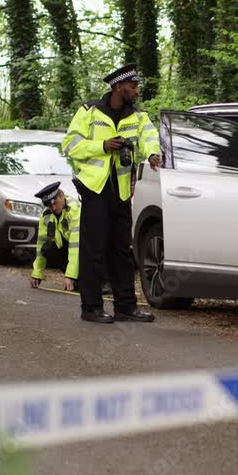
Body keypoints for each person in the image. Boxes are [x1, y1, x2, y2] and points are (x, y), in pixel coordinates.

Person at [63, 63, 162, 323]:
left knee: (121, 249)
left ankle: (126, 308)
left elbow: (149, 135)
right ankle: (91, 308)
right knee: (93, 249)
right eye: (133, 86)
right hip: (95, 189)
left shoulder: (138, 116)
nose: (137, 90)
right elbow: (70, 145)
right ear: (118, 87)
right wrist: (103, 146)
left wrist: (152, 153)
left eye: (137, 85)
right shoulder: (89, 111)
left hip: (120, 191)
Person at [29, 182, 81, 291]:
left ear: (62, 195)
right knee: (47, 249)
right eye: (49, 205)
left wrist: (70, 275)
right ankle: (78, 281)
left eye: (55, 202)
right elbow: (41, 245)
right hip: (68, 247)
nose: (53, 208)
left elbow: (76, 245)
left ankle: (103, 281)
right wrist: (37, 272)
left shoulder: (74, 209)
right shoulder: (46, 215)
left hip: (84, 247)